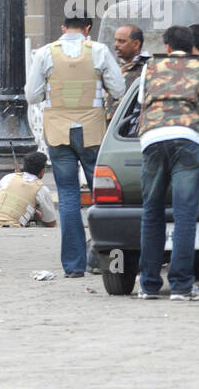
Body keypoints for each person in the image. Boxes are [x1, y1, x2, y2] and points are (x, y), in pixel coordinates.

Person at [136, 25, 199, 300]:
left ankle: (149, 285)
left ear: (167, 47)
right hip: (188, 137)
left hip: (152, 138)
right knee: (185, 214)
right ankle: (180, 285)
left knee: (151, 212)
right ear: (192, 48)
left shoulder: (150, 67)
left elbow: (144, 104)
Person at [26, 15, 125, 277]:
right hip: (92, 132)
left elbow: (32, 94)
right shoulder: (99, 51)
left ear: (63, 27)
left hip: (58, 132)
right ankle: (108, 261)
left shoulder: (46, 52)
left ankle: (73, 266)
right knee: (103, 196)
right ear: (88, 28)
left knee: (68, 197)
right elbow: (118, 89)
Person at [0, 151, 58, 228]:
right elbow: (51, 222)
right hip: (11, 228)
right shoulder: (41, 189)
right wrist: (35, 214)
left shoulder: (9, 177)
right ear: (42, 171)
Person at [108, 24, 150, 119]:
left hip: (132, 125)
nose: (116, 45)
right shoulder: (113, 66)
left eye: (121, 41)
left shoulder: (148, 68)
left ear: (136, 44)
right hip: (110, 127)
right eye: (116, 40)